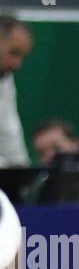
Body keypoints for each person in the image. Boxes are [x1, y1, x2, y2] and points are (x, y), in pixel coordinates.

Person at [0, 15, 33, 168]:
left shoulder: (5, 79)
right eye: (13, 53)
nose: (17, 65)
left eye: (22, 57)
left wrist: (22, 174)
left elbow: (10, 134)